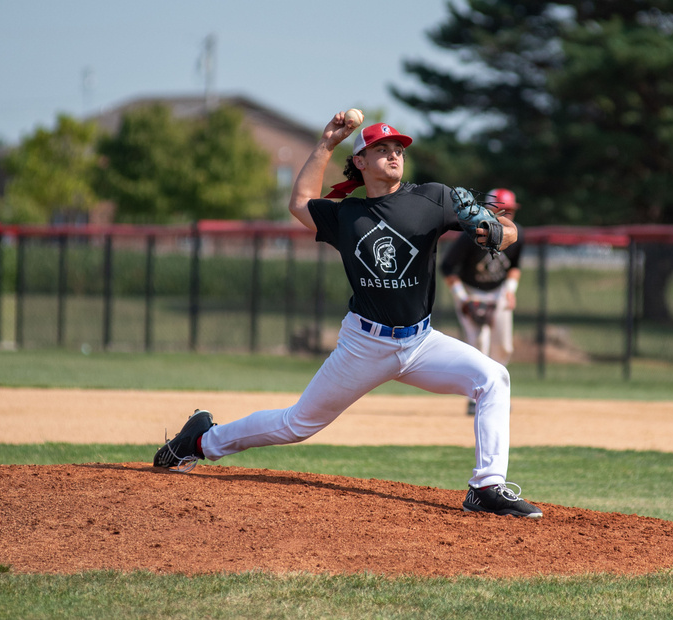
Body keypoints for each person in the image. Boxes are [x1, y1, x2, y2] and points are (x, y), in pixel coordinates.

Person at [153, 113, 542, 518]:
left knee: (493, 377)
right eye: (381, 149)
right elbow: (299, 204)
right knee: (297, 425)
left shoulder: (434, 198)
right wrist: (326, 143)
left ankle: (486, 487)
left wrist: (495, 230)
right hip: (365, 344)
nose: (394, 155)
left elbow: (508, 231)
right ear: (359, 161)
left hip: (421, 341)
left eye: (398, 149)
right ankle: (199, 441)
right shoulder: (347, 215)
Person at [441, 188, 523, 416]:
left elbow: (515, 267)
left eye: (511, 211)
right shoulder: (470, 236)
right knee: (479, 344)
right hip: (471, 292)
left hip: (499, 292)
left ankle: (497, 392)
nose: (507, 215)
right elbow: (447, 268)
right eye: (500, 210)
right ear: (487, 211)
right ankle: (474, 397)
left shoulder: (517, 235)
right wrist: (463, 299)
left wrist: (510, 289)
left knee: (504, 346)